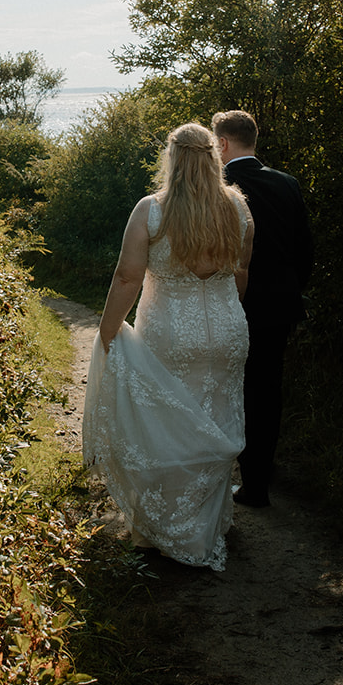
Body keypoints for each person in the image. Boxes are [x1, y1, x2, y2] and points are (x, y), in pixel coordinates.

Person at [83, 122, 254, 570]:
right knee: (213, 421)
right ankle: (207, 525)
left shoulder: (152, 210)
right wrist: (222, 316)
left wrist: (107, 331)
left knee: (167, 427)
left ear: (172, 158)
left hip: (170, 333)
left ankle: (161, 531)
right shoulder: (238, 209)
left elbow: (127, 278)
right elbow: (240, 275)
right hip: (229, 330)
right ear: (214, 157)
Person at [212, 109, 313, 508]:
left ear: (222, 143)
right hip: (279, 305)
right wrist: (289, 291)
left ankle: (226, 476)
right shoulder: (287, 184)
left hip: (229, 304)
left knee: (227, 389)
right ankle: (259, 480)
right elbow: (305, 250)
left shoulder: (220, 186)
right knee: (267, 391)